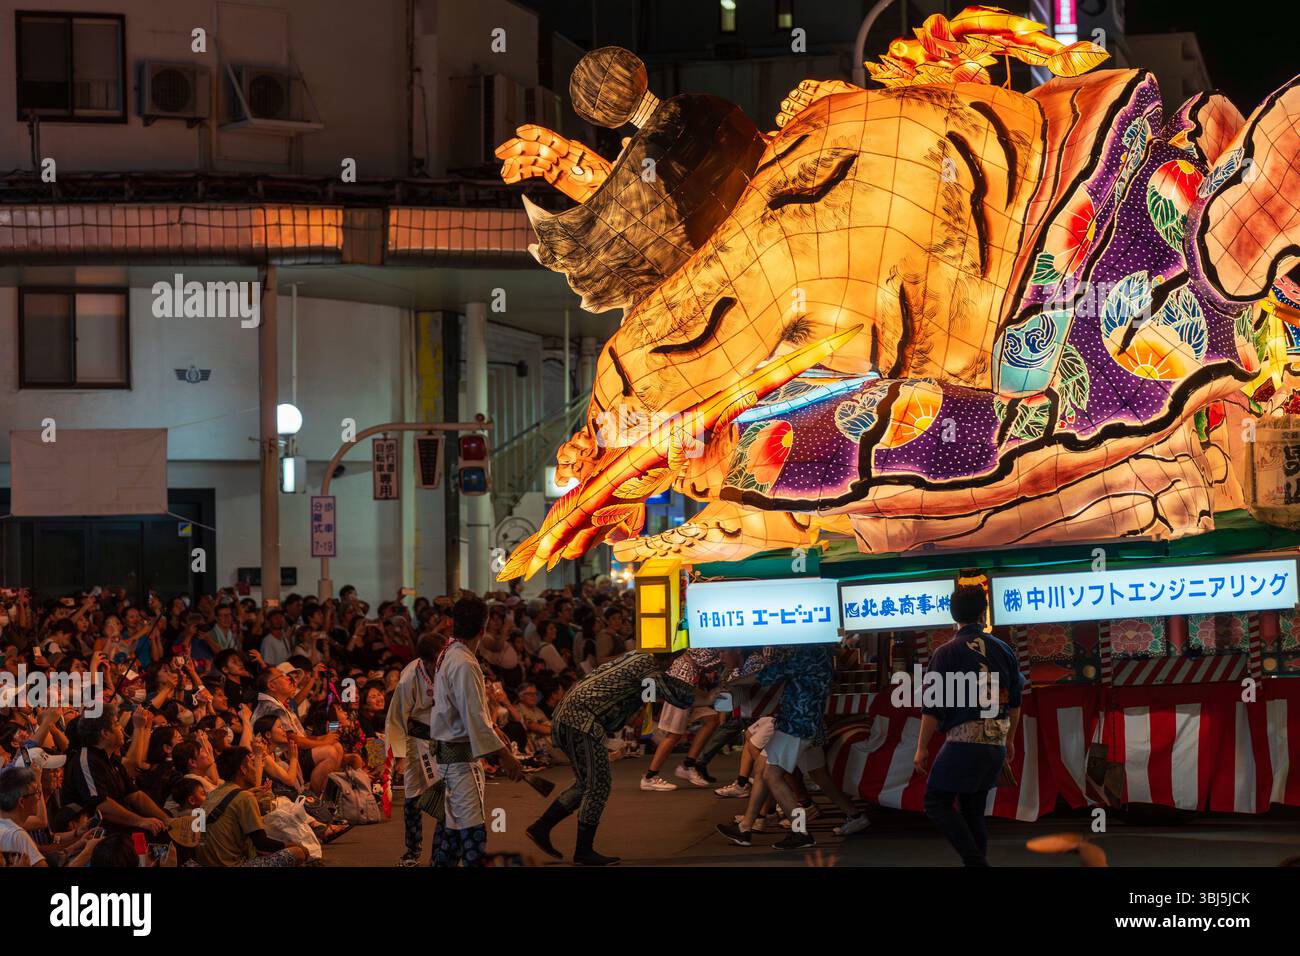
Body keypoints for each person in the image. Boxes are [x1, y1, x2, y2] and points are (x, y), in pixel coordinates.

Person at [525, 650, 703, 866]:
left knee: (585, 784)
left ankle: (542, 828)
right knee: (598, 785)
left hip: (571, 716)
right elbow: (677, 695)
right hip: (581, 720)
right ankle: (583, 850)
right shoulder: (649, 667)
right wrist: (709, 695)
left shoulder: (639, 657)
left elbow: (661, 691)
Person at [914, 585, 1023, 867]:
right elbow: (1015, 703)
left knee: (935, 801)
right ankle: (977, 863)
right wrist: (1009, 740)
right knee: (972, 809)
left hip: (964, 741)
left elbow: (932, 708)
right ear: (983, 613)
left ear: (953, 615)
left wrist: (921, 748)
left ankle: (976, 863)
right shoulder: (1004, 649)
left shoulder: (945, 652)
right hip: (995, 742)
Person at [427, 596, 523, 867]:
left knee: (453, 831)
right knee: (471, 830)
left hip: (447, 753)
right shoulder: (465, 663)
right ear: (483, 630)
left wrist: (493, 735)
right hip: (458, 758)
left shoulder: (449, 652)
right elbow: (476, 722)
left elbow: (473, 718)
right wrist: (506, 757)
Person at [195, 746, 309, 867]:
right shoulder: (244, 797)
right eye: (251, 764)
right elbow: (261, 843)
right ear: (243, 769)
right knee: (297, 853)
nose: (255, 769)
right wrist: (293, 845)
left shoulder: (212, 795)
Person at [385, 632, 443, 866]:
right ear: (427, 661)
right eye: (438, 659)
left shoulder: (450, 669)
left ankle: (441, 854)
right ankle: (412, 850)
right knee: (412, 797)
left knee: (445, 798)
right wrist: (399, 757)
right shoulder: (409, 677)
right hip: (416, 739)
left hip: (445, 738)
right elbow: (396, 718)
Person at [0, 766, 47, 866]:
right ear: (22, 802)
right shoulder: (17, 836)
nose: (39, 798)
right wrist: (86, 852)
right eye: (36, 793)